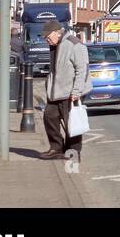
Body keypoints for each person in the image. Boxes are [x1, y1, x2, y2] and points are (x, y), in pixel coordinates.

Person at [39, 21, 88, 162]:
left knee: (72, 124)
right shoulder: (55, 44)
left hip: (71, 91)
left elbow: (82, 70)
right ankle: (56, 148)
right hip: (56, 92)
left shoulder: (74, 44)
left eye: (48, 36)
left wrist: (77, 91)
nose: (46, 40)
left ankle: (73, 153)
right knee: (49, 116)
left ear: (57, 32)